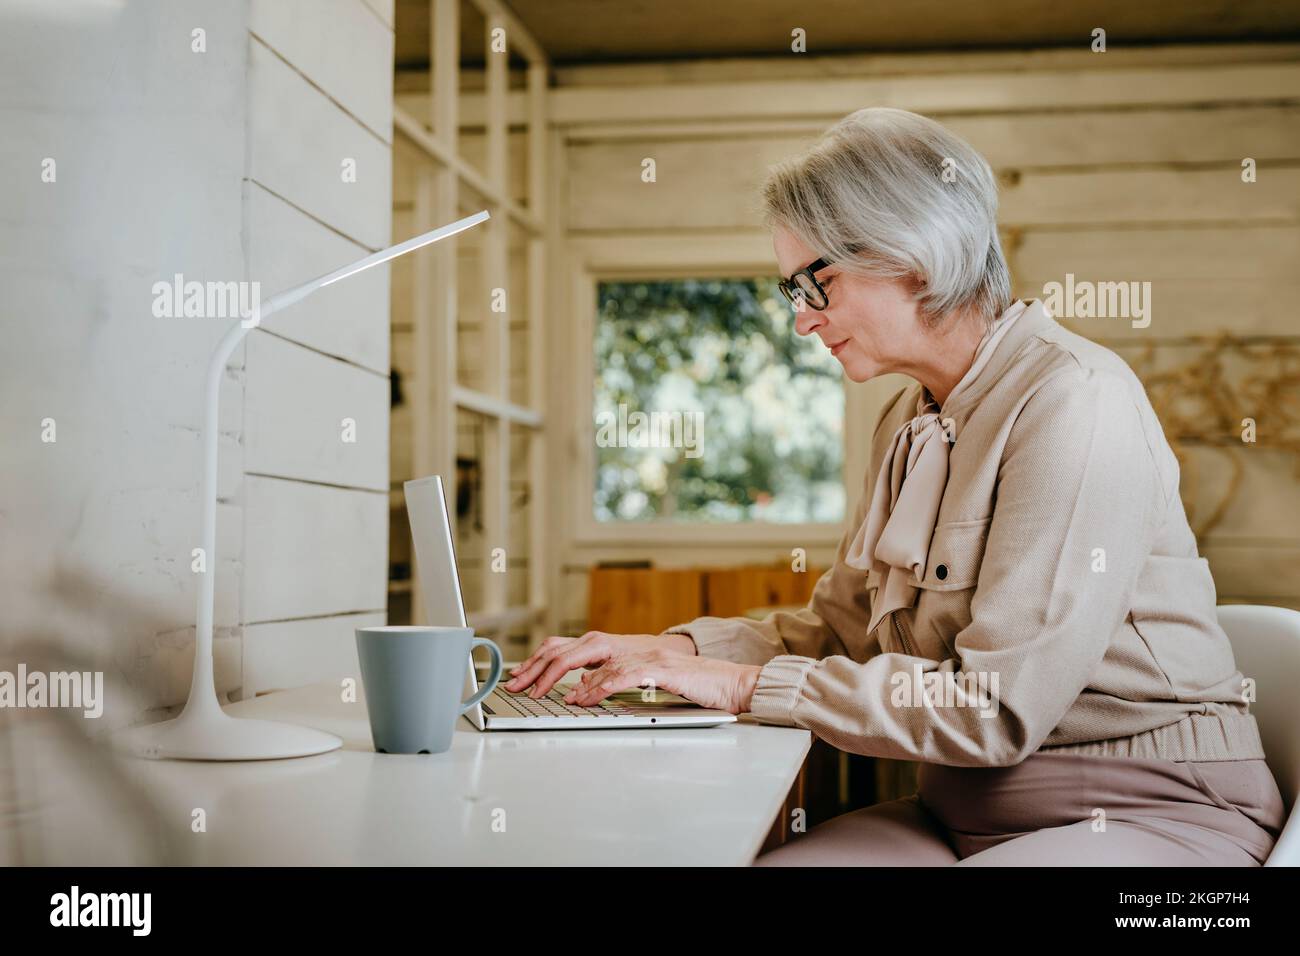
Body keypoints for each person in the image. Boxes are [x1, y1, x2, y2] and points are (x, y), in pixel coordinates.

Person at [505, 107, 1285, 866]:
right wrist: (668, 649)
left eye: (816, 283)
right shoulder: (909, 422)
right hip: (962, 812)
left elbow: (995, 709)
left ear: (910, 255)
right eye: (792, 294)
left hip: (1152, 812)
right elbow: (841, 630)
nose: (802, 321)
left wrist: (744, 685)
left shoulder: (1075, 401)